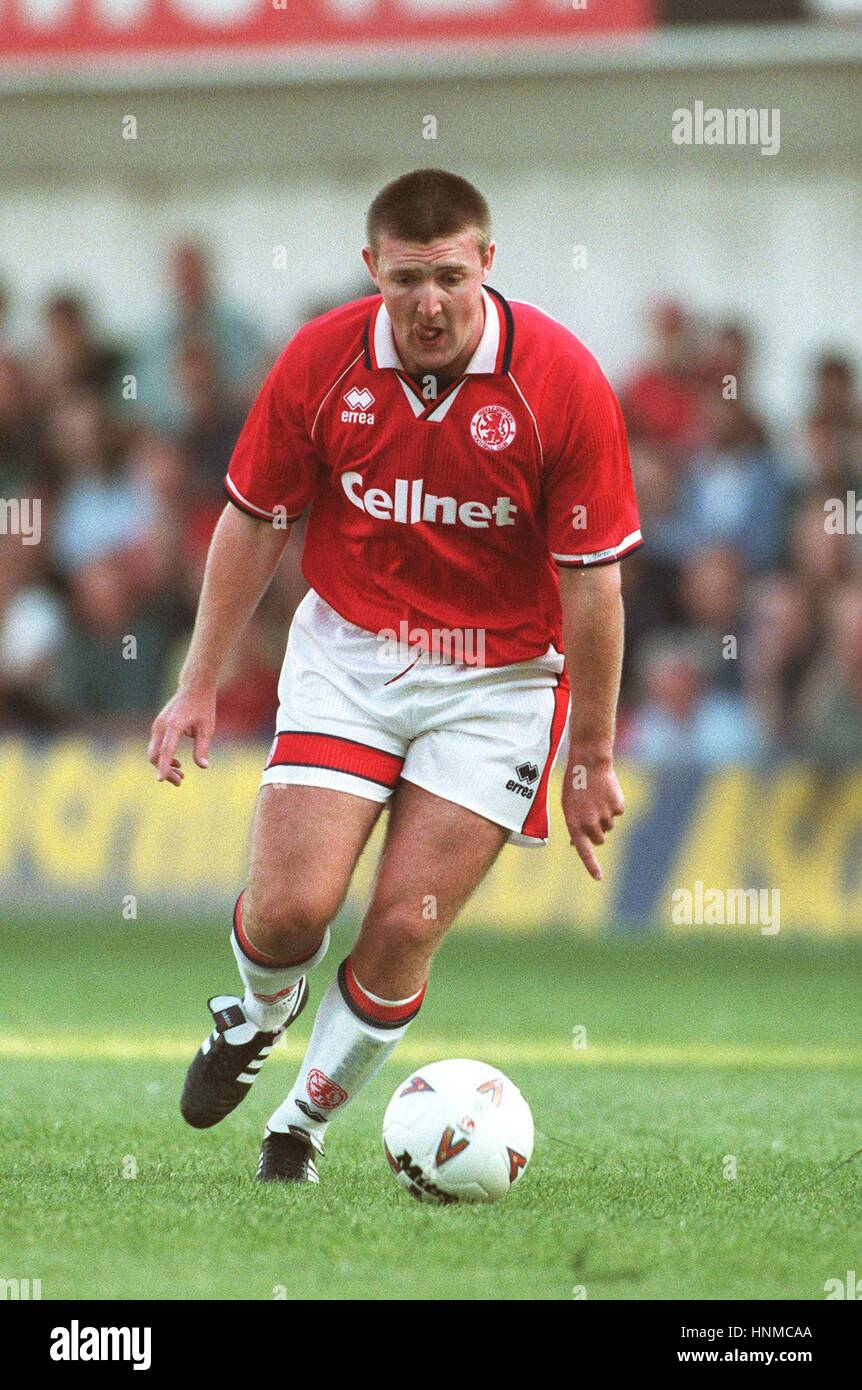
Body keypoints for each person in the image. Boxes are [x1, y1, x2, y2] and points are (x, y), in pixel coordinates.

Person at [148, 169, 642, 1184]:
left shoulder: (561, 383)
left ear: (486, 266)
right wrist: (198, 679)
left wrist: (589, 752)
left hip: (499, 681)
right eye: (408, 278)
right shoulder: (322, 363)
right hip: (352, 655)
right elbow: (253, 517)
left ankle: (299, 1126)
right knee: (289, 913)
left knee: (399, 930)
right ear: (371, 268)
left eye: (450, 278)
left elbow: (593, 586)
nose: (429, 303)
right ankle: (254, 1013)